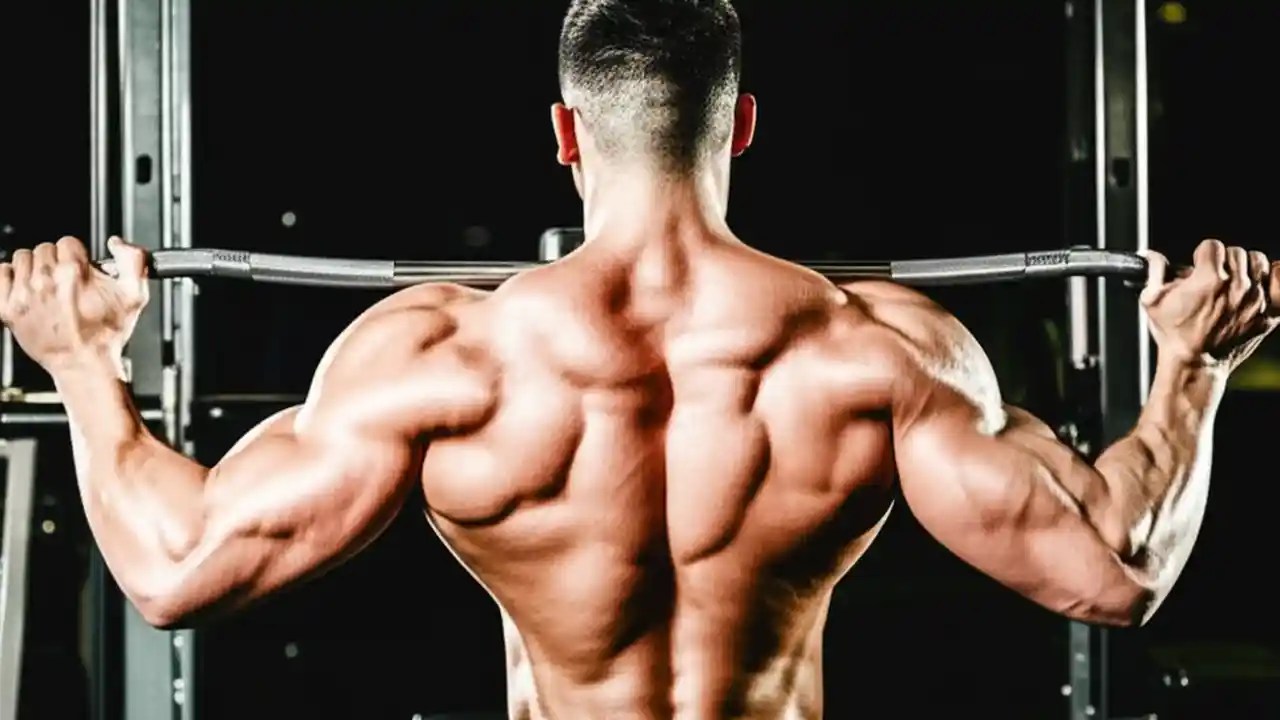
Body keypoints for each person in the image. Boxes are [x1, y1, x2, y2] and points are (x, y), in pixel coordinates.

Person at [2, 1, 1276, 717]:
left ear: (563, 131)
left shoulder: (447, 360)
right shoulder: (873, 350)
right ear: (745, 124)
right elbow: (1111, 570)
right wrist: (1190, 369)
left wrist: (81, 360)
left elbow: (172, 573)